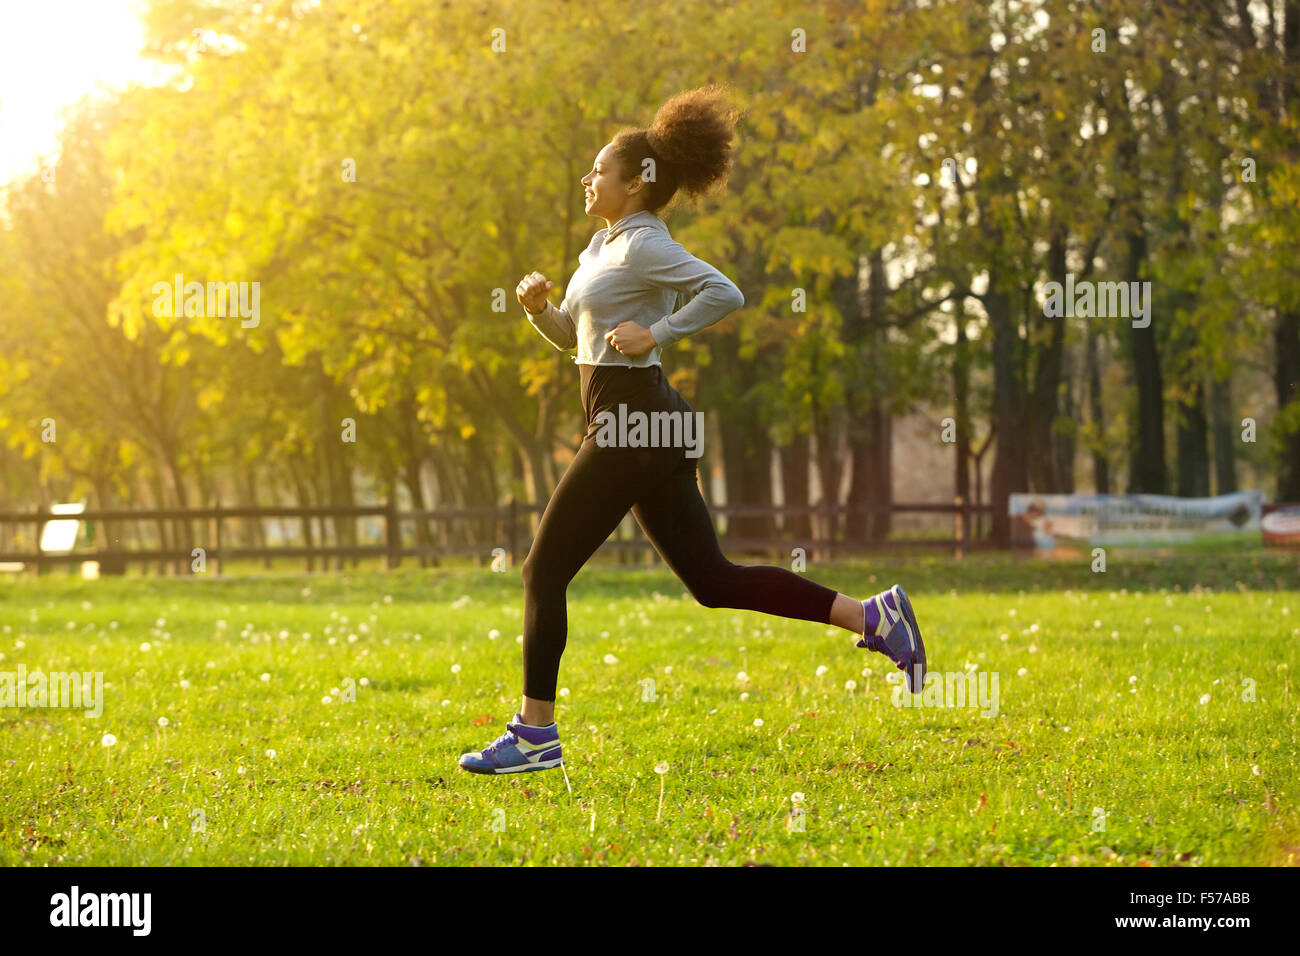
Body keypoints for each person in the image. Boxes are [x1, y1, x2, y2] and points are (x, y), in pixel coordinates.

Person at [459, 85, 926, 775]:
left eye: (599, 170)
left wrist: (659, 331)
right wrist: (538, 311)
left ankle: (535, 734)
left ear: (636, 182)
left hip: (633, 423)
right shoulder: (603, 245)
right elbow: (577, 342)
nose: (587, 178)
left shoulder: (646, 243)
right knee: (712, 580)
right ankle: (874, 618)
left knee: (542, 568)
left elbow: (724, 292)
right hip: (642, 421)